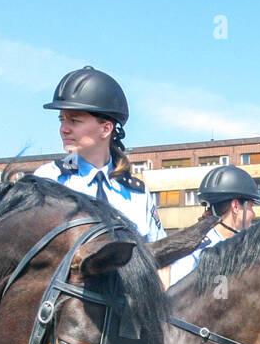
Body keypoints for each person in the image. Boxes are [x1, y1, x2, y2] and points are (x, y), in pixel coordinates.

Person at [34, 66, 165, 243]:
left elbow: (159, 256)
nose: (64, 129)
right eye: (62, 120)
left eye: (74, 120)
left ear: (105, 129)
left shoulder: (137, 194)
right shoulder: (48, 180)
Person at [165, 165, 260, 286]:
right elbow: (175, 295)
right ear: (236, 206)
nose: (253, 214)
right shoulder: (197, 250)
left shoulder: (242, 244)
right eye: (250, 206)